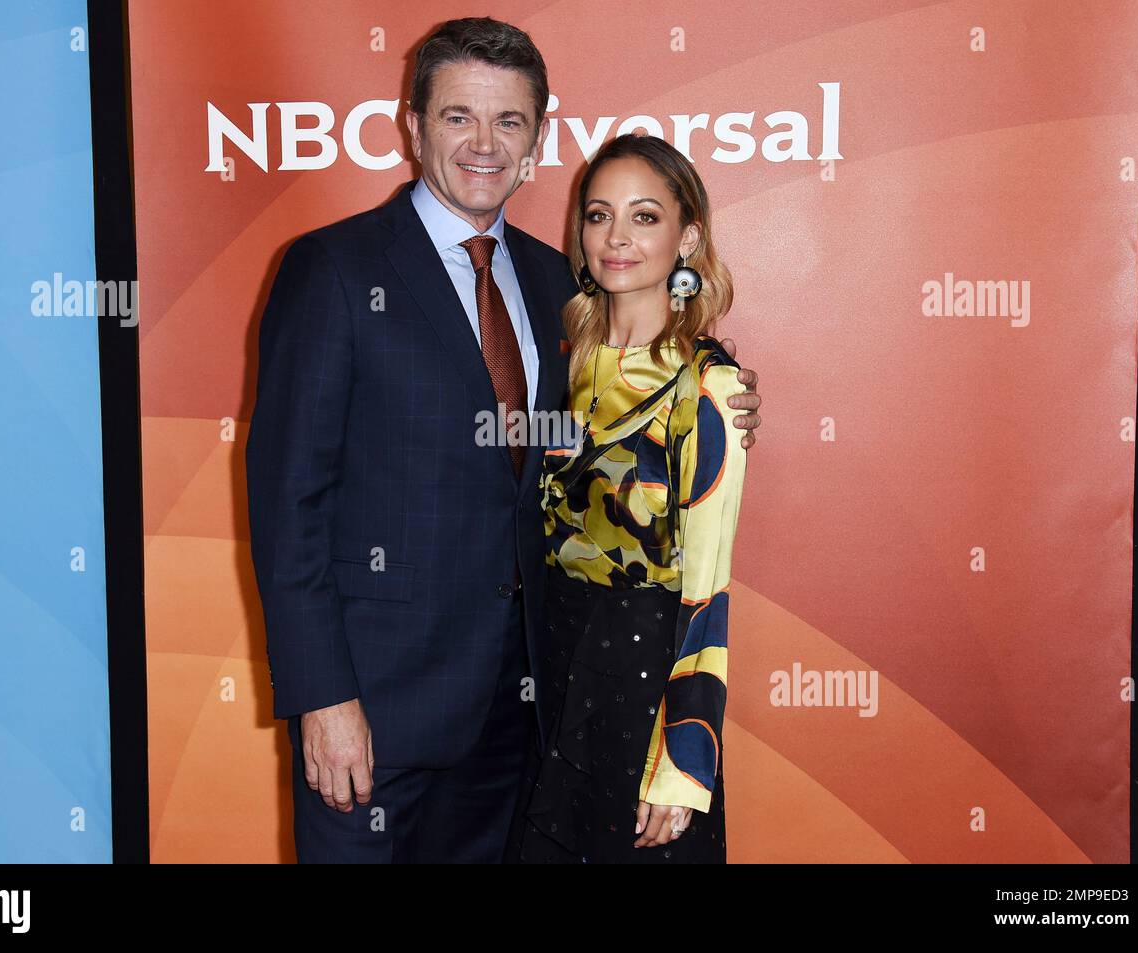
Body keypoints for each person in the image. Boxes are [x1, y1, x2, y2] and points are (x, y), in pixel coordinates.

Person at [244, 17, 761, 864]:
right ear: (413, 127)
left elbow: (622, 417)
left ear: (537, 138)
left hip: (526, 718)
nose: (484, 145)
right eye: (458, 117)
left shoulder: (561, 279)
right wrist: (322, 698)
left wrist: (724, 399)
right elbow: (286, 501)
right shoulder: (332, 270)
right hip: (374, 720)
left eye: (509, 122)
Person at [507, 133, 748, 863]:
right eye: (598, 214)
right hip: (550, 661)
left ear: (688, 237)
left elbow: (707, 587)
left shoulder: (709, 386)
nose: (616, 238)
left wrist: (683, 761)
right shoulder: (563, 362)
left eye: (644, 217)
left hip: (643, 674)